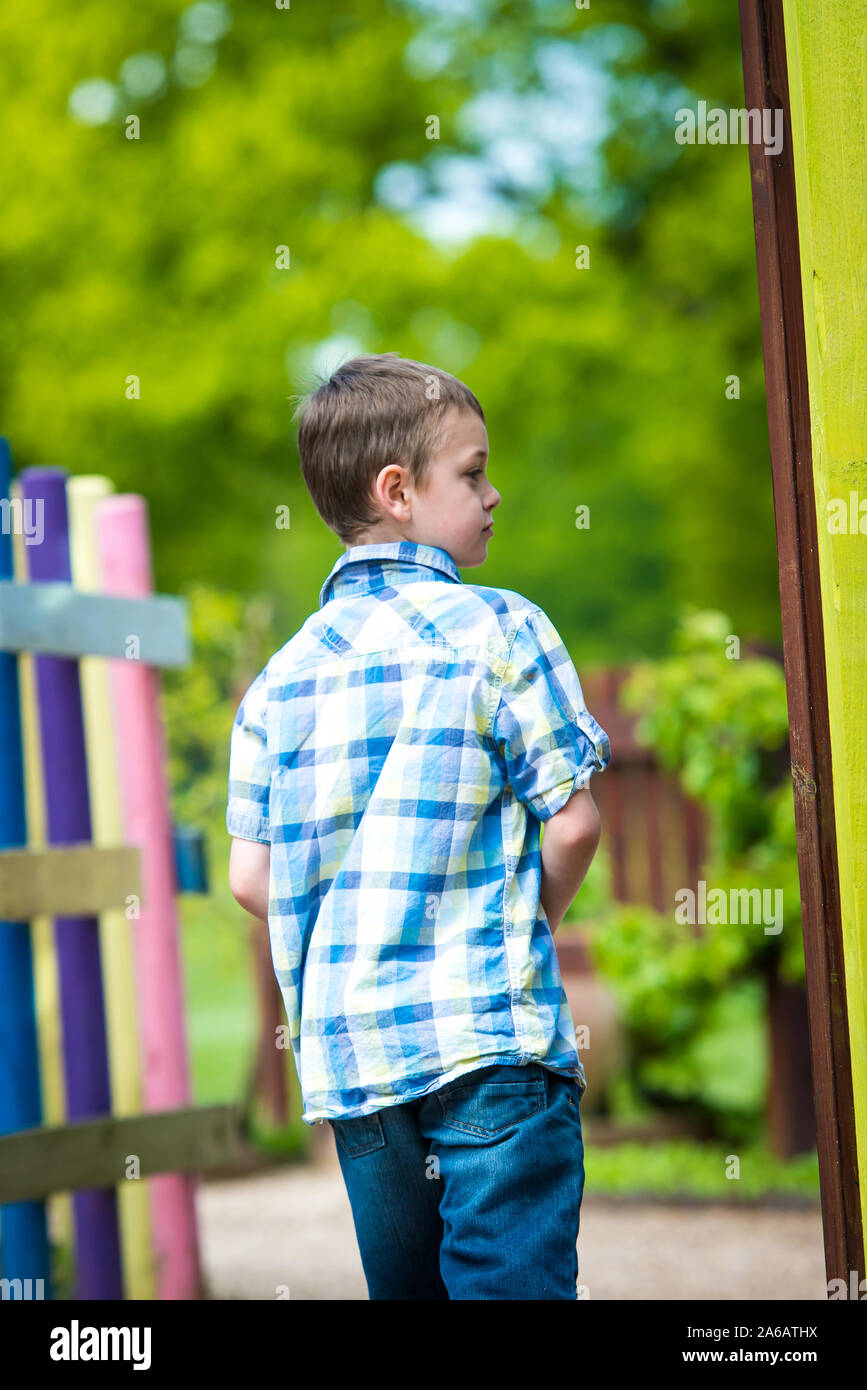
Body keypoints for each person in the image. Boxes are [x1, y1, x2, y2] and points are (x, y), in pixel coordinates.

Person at [226, 352, 610, 1299]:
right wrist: (516, 928)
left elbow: (248, 879)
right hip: (490, 1047)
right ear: (397, 491)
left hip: (360, 1069)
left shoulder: (277, 681)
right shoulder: (502, 629)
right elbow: (571, 826)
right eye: (473, 472)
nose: (494, 494)